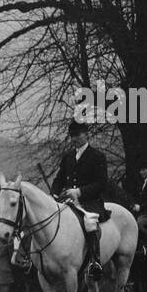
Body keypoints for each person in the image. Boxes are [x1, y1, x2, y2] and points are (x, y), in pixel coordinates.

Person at [51, 119, 109, 278]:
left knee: (90, 224)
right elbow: (59, 178)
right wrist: (54, 194)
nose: (74, 138)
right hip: (69, 201)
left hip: (90, 201)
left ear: (86, 135)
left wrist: (80, 192)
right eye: (72, 135)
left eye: (77, 135)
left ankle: (95, 262)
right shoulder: (68, 157)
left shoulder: (97, 156)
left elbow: (101, 183)